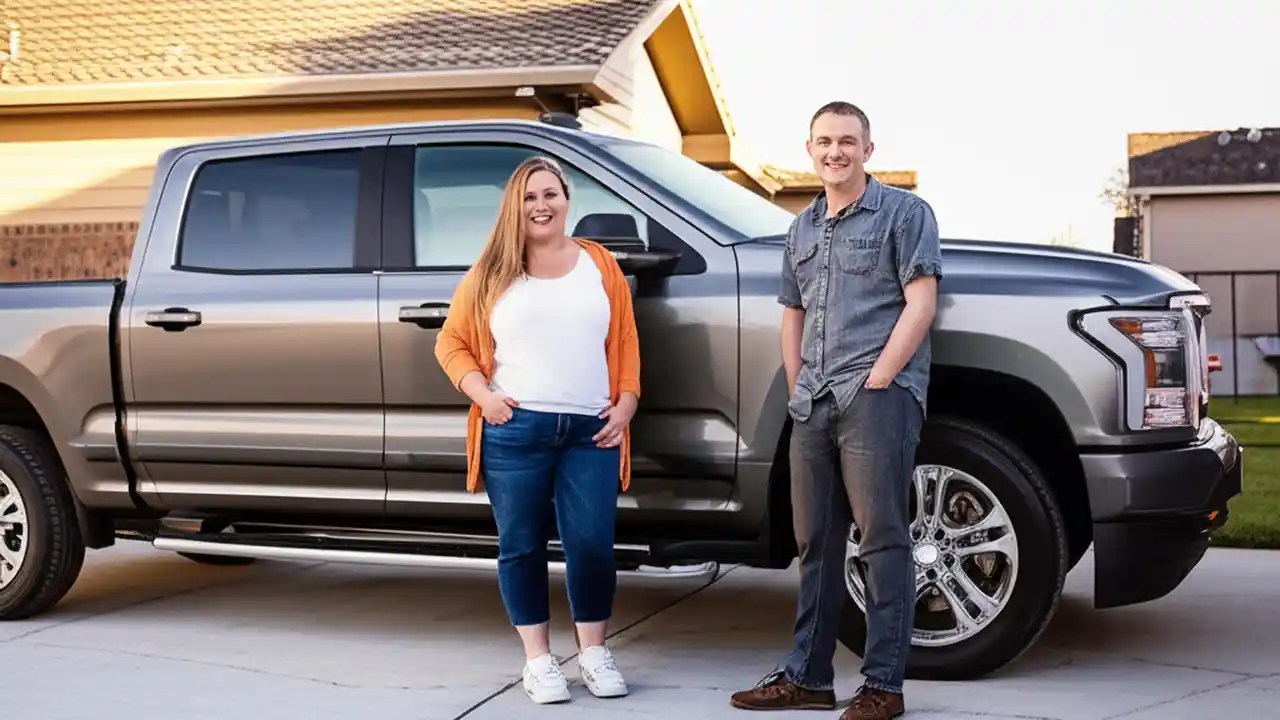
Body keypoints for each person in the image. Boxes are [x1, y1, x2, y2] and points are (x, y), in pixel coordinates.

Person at [729, 101, 942, 720]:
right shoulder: (801, 229)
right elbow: (792, 312)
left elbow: (920, 303)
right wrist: (799, 386)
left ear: (868, 150)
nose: (835, 152)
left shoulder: (905, 213)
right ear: (810, 149)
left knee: (881, 540)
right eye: (824, 141)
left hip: (876, 398)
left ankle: (883, 687)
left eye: (848, 141)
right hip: (814, 402)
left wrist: (879, 378)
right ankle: (808, 677)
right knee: (815, 541)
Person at [434, 155, 641, 705]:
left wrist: (626, 403)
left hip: (591, 431)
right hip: (514, 429)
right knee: (522, 546)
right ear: (514, 207)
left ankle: (594, 652)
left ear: (567, 200)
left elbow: (623, 337)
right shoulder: (490, 272)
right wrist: (484, 397)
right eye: (529, 197)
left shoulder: (599, 264)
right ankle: (539, 661)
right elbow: (450, 343)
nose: (541, 205)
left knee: (592, 545)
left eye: (550, 194)